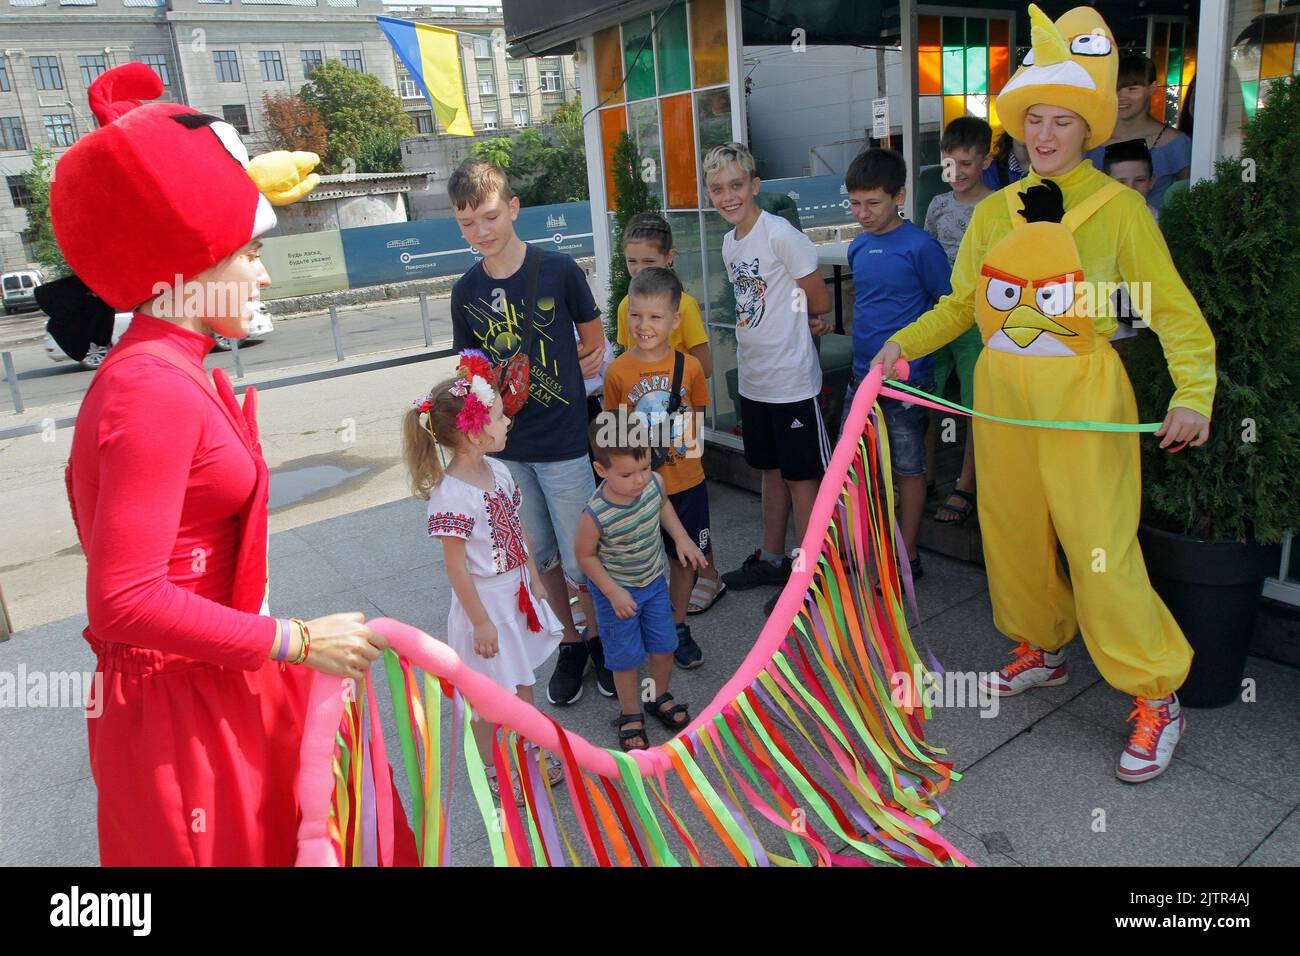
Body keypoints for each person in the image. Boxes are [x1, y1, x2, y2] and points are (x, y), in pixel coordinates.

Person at [47, 63, 416, 864]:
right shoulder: (151, 387)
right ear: (190, 258)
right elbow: (123, 601)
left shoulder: (168, 366)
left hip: (217, 675)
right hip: (185, 708)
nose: (262, 272)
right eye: (248, 249)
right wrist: (294, 639)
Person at [872, 4, 1215, 784]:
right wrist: (902, 344)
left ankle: (1157, 694)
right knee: (1015, 532)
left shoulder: (1122, 210)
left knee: (1101, 548)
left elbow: (1171, 311)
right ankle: (1041, 646)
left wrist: (1195, 392)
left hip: (1086, 399)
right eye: (1036, 119)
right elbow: (962, 305)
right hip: (1002, 400)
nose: (1047, 134)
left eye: (1064, 120)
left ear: (1088, 126)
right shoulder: (991, 211)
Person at [448, 159, 615, 708]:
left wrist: (590, 360)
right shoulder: (465, 290)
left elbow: (593, 338)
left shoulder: (559, 269)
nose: (481, 231)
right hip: (508, 453)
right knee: (538, 556)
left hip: (565, 443)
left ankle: (602, 642)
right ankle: (569, 642)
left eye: (490, 216)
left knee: (582, 555)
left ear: (514, 208)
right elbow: (469, 373)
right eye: (467, 222)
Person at [404, 356, 565, 800]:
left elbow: (517, 529)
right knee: (487, 698)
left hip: (514, 596)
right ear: (476, 431)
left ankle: (530, 749)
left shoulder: (500, 471)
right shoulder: (451, 496)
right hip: (485, 606)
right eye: (497, 416)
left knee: (523, 679)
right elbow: (456, 567)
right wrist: (480, 621)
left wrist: (532, 576)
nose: (506, 420)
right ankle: (495, 767)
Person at [704, 142, 833, 613]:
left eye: (736, 185)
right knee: (771, 473)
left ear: (754, 185)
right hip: (754, 382)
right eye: (717, 189)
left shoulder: (780, 234)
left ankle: (809, 573)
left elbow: (816, 296)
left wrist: (811, 319)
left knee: (804, 479)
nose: (727, 196)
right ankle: (773, 558)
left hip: (792, 382)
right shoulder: (729, 240)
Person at [843, 148, 952, 580]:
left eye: (873, 203)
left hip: (908, 381)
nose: (863, 213)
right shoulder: (858, 245)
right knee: (858, 465)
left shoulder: (922, 247)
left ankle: (907, 553)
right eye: (855, 203)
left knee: (909, 466)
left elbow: (945, 307)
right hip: (860, 375)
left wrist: (917, 356)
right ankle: (860, 543)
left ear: (900, 195)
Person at [615, 212, 725, 616]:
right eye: (631, 262)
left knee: (687, 508)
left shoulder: (688, 307)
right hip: (643, 435)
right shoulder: (628, 306)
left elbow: (704, 367)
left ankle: (709, 574)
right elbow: (626, 366)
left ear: (669, 259)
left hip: (678, 435)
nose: (638, 270)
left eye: (648, 262)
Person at [575, 422, 708, 751]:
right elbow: (585, 556)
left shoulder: (654, 485)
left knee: (664, 646)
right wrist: (612, 591)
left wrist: (681, 537)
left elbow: (662, 506)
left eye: (645, 467)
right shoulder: (596, 514)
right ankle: (631, 712)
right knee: (625, 659)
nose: (639, 480)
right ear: (600, 469)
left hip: (653, 585)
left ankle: (656, 696)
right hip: (616, 595)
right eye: (627, 474)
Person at [603, 267, 711, 669]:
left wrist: (685, 462)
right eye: (635, 315)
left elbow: (697, 420)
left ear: (674, 320)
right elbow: (614, 435)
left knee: (686, 558)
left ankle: (677, 623)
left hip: (686, 483)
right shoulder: (617, 373)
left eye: (654, 317)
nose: (643, 326)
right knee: (641, 561)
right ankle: (647, 625)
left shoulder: (692, 368)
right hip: (638, 493)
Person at [924, 116, 992, 526]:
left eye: (967, 163)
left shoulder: (998, 207)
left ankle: (966, 483)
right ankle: (926, 477)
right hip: (939, 315)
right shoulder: (937, 205)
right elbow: (928, 255)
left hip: (978, 321)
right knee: (929, 397)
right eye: (951, 163)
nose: (958, 172)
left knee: (975, 405)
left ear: (986, 160)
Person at [1086, 51, 1191, 209]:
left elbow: (1190, 204)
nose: (1122, 97)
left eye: (1132, 89)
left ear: (1152, 88)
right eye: (1115, 89)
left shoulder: (1177, 144)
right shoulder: (1089, 140)